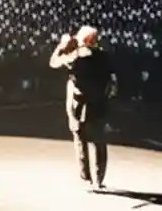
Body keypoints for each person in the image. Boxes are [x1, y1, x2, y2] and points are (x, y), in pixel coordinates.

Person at [49, 25, 117, 192]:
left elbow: (54, 63)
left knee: (80, 140)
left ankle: (86, 178)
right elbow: (113, 79)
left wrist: (62, 45)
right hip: (98, 103)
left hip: (79, 104)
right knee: (99, 142)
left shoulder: (76, 56)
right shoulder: (103, 56)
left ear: (84, 40)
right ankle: (98, 179)